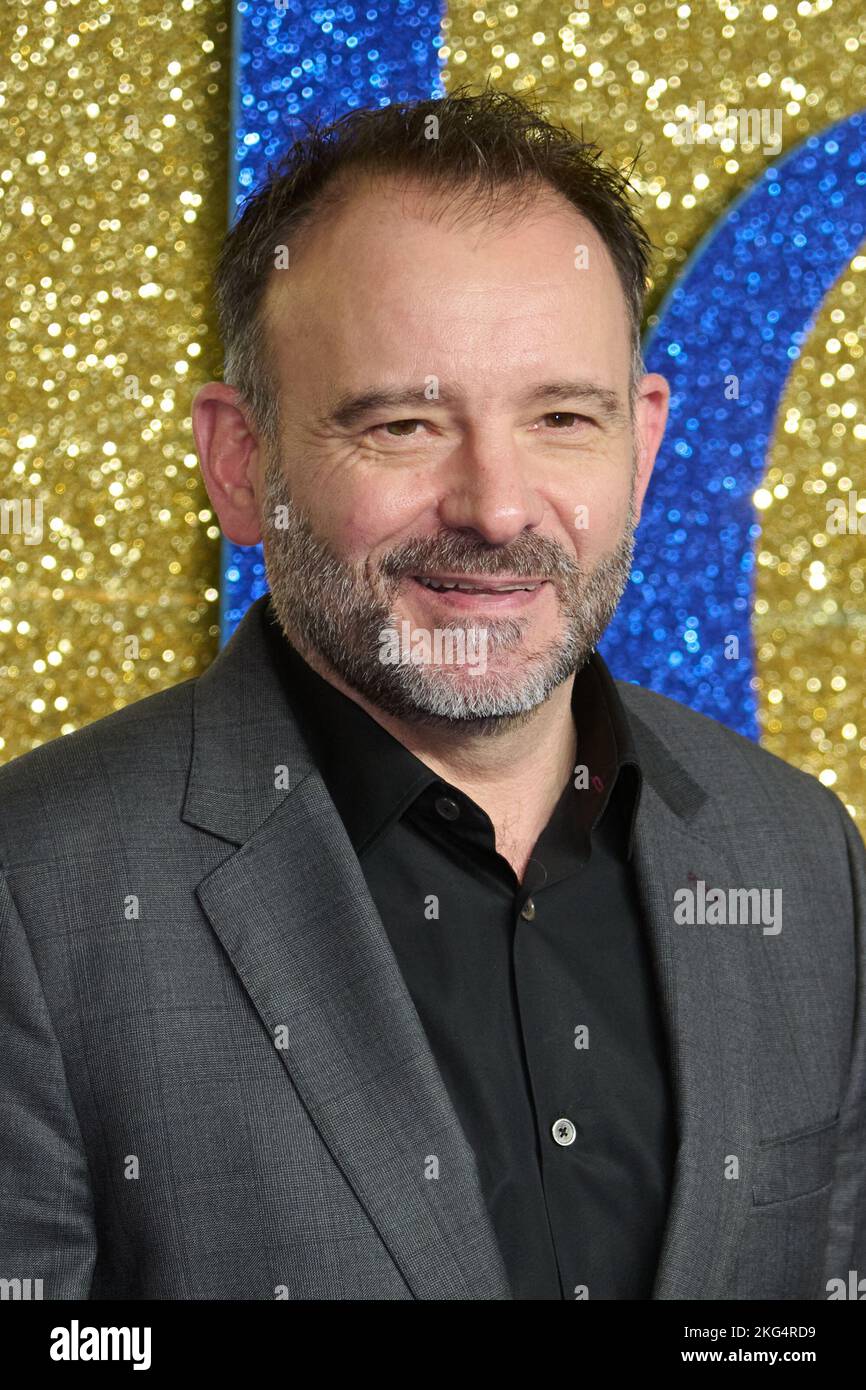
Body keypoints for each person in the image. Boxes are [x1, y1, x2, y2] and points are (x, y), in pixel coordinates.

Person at [0, 88, 863, 1301]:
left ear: (644, 444)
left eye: (563, 416)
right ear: (242, 466)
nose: (496, 508)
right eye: (403, 424)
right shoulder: (34, 896)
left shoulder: (800, 859)